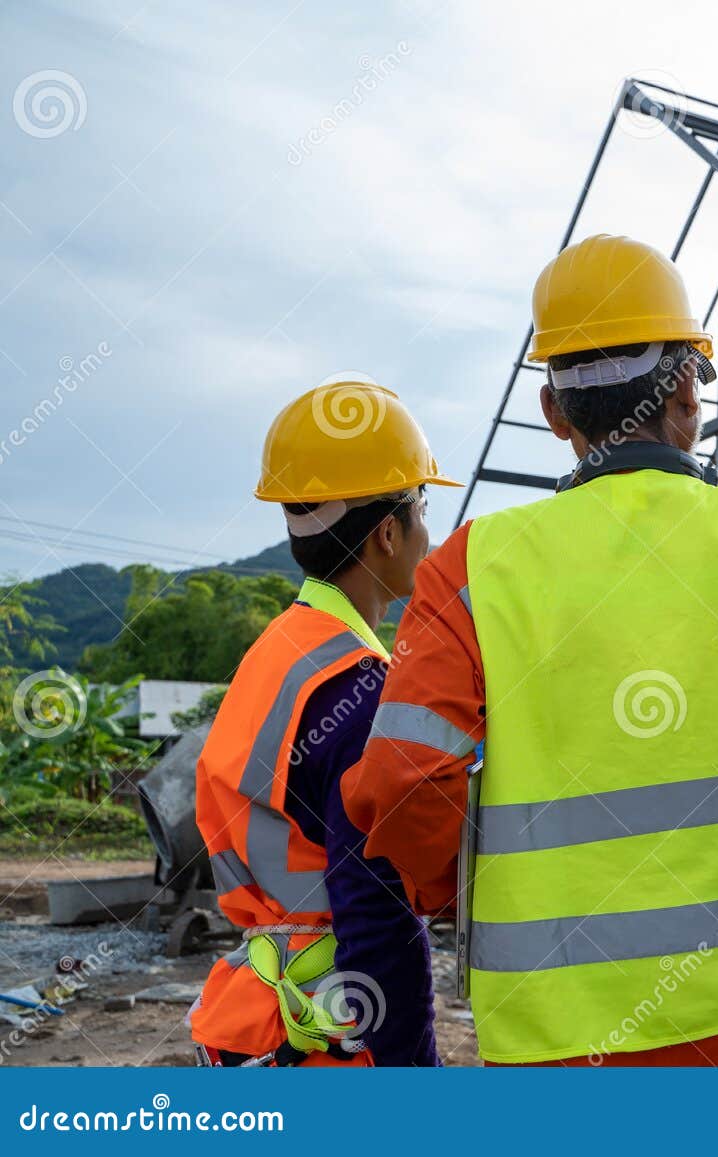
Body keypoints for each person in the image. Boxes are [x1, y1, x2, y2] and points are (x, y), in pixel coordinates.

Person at [343, 233, 718, 1066]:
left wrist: (469, 889)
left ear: (554, 413)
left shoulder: (472, 569)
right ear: (687, 393)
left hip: (561, 1035)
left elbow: (405, 784)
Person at [191, 381, 457, 1067]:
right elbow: (377, 916)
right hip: (332, 1034)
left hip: (264, 1013)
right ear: (388, 533)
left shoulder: (277, 652)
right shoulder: (360, 690)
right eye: (423, 508)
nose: (429, 534)